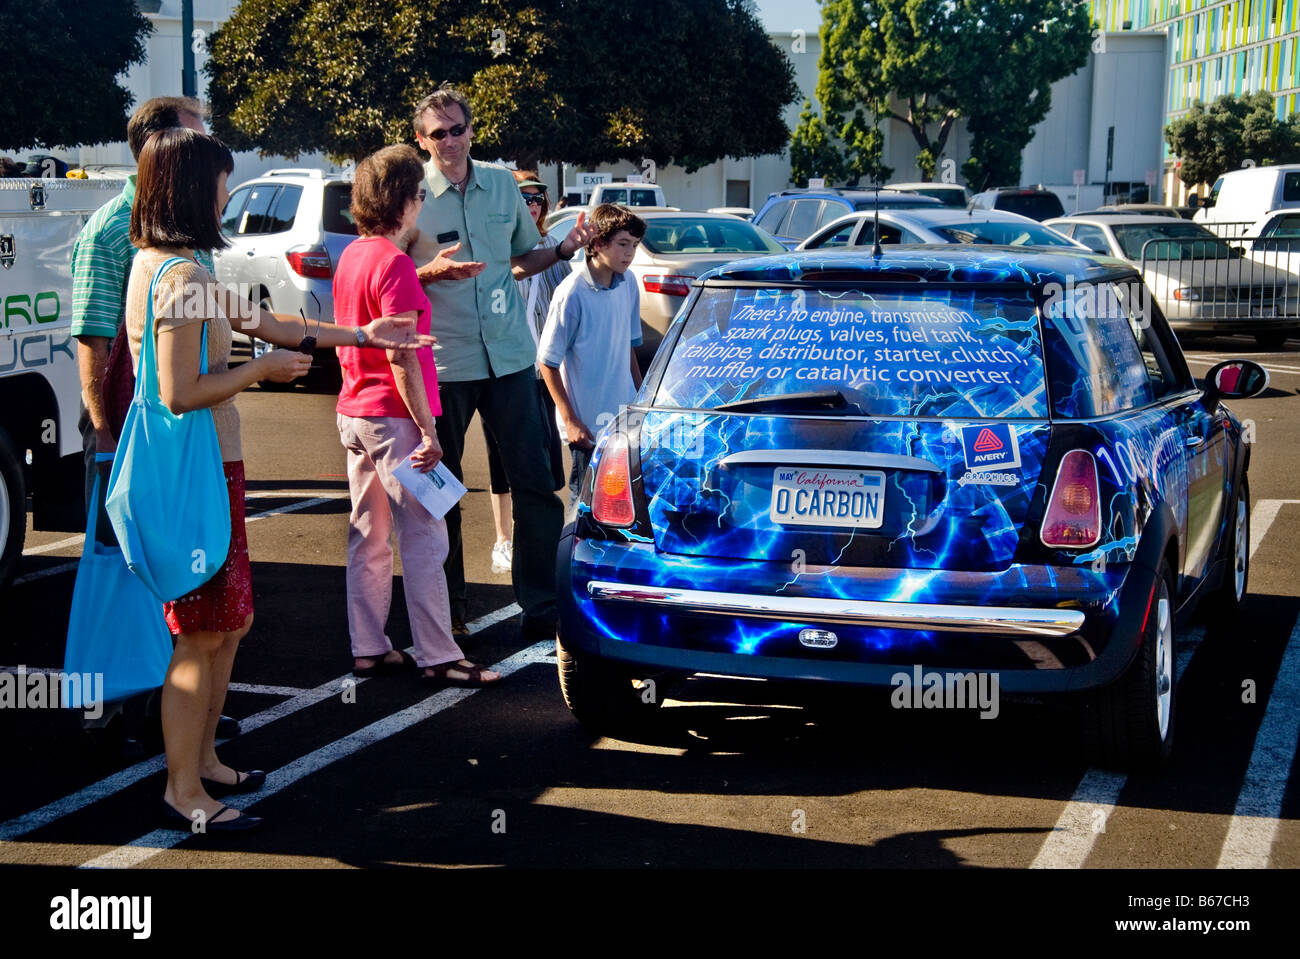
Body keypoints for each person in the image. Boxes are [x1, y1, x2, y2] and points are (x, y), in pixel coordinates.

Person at [125, 128, 433, 831]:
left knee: (228, 623)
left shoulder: (175, 265)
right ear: (190, 188)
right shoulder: (181, 277)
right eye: (221, 181)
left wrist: (363, 336)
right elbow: (178, 390)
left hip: (210, 466)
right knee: (202, 632)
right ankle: (185, 789)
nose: (228, 193)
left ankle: (201, 760)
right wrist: (259, 371)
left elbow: (268, 322)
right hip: (199, 468)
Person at [67, 96, 244, 745]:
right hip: (140, 435)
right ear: (162, 151)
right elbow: (92, 338)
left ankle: (175, 716)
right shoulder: (114, 230)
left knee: (182, 591)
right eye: (196, 143)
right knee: (142, 577)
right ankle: (125, 708)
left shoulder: (183, 234)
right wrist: (105, 435)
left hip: (181, 438)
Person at [407, 85, 594, 641]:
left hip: (511, 357)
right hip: (443, 362)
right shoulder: (411, 194)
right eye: (436, 133)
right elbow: (386, 276)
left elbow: (523, 256)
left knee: (536, 484)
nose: (449, 140)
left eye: (457, 129)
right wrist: (428, 275)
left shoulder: (500, 186)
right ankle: (450, 613)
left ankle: (540, 606)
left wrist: (561, 250)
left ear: (471, 130)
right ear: (421, 139)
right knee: (441, 490)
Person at [334, 145, 500, 687]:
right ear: (404, 201)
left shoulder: (355, 255)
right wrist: (429, 429)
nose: (423, 203)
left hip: (356, 411)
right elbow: (402, 354)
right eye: (420, 194)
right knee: (426, 536)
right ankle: (438, 654)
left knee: (370, 534)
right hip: (395, 417)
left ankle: (369, 646)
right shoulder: (394, 262)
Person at [479, 170, 570, 575]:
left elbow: (566, 300)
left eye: (537, 198)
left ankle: (552, 537)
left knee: (549, 454)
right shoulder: (493, 246)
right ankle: (503, 538)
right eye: (524, 198)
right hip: (498, 365)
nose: (532, 205)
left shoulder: (554, 247)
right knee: (500, 455)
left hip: (540, 368)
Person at [538, 204, 646, 504]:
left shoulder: (629, 283)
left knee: (621, 500)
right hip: (586, 425)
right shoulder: (571, 292)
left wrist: (641, 400)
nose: (630, 253)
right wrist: (570, 420)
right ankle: (572, 552)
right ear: (597, 244)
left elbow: (629, 348)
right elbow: (546, 363)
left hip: (623, 419)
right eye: (623, 244)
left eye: (635, 246)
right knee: (583, 500)